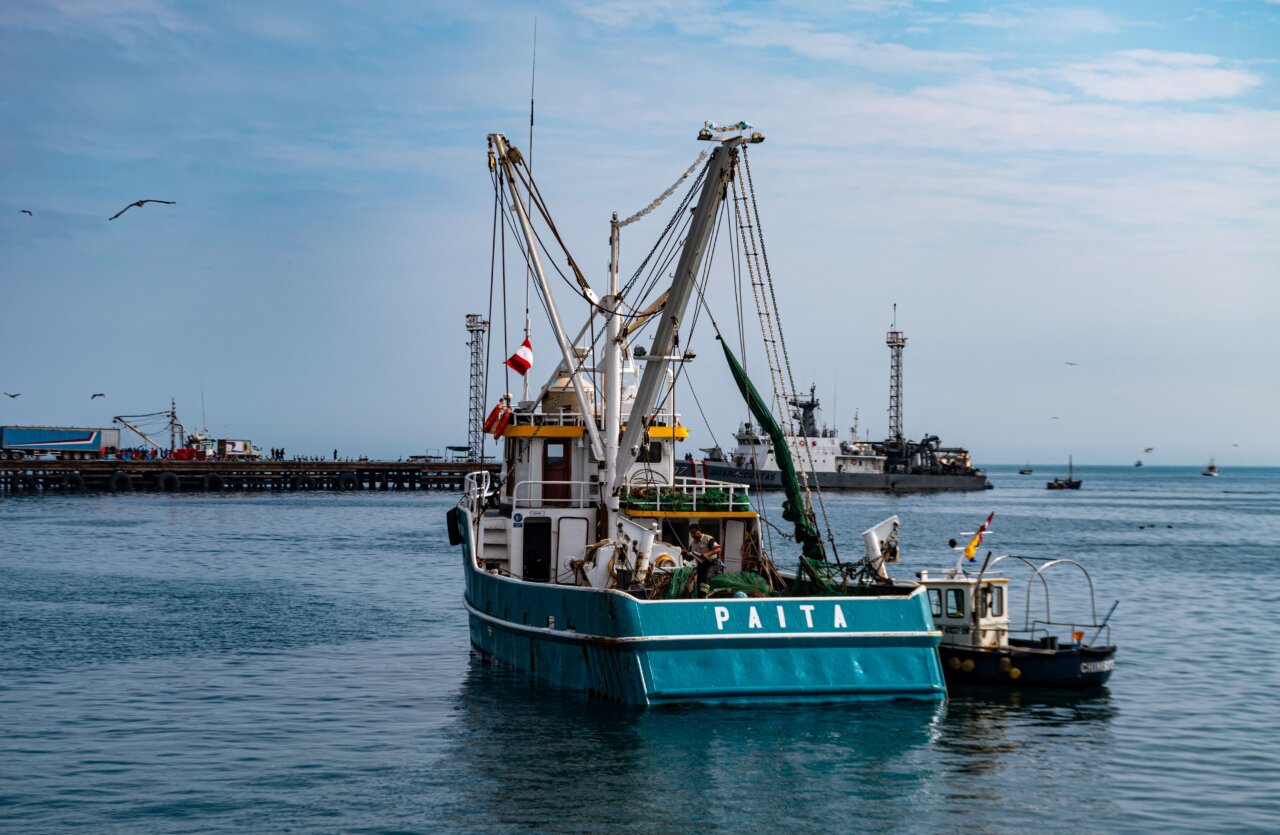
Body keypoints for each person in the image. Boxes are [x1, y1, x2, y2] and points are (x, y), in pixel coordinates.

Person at [686, 524, 724, 598]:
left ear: (699, 531)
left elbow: (718, 549)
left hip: (713, 563)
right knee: (699, 582)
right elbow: (690, 558)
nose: (692, 535)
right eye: (691, 533)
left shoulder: (708, 539)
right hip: (702, 565)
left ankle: (704, 596)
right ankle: (700, 598)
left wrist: (707, 554)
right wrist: (685, 555)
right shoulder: (692, 545)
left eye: (694, 532)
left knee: (706, 576)